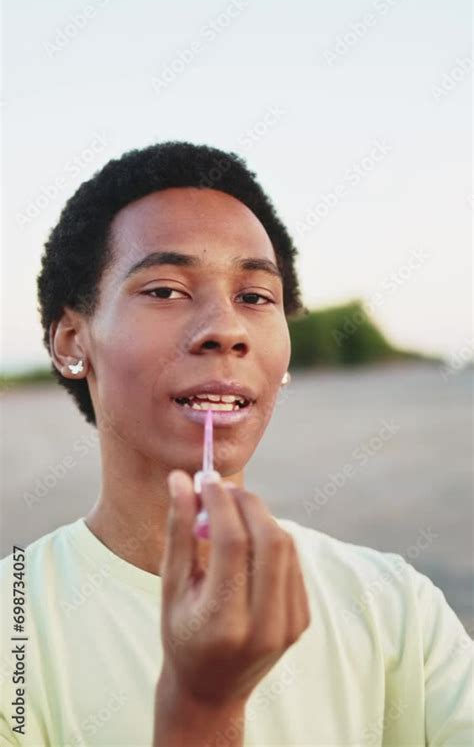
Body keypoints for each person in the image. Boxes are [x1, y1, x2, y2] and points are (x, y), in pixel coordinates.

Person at [0, 141, 472, 746]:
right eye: (166, 290)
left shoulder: (395, 606)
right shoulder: (16, 624)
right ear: (71, 341)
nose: (225, 329)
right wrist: (200, 706)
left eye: (255, 297)